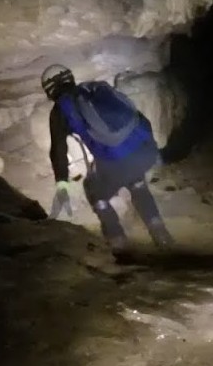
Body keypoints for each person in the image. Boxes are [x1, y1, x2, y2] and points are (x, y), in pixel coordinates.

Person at [41, 64, 174, 252]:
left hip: (116, 164)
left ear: (49, 89)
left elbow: (58, 151)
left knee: (95, 190)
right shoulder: (94, 89)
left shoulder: (61, 110)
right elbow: (136, 115)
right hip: (144, 151)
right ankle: (161, 234)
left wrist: (62, 183)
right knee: (137, 182)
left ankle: (118, 244)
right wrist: (152, 149)